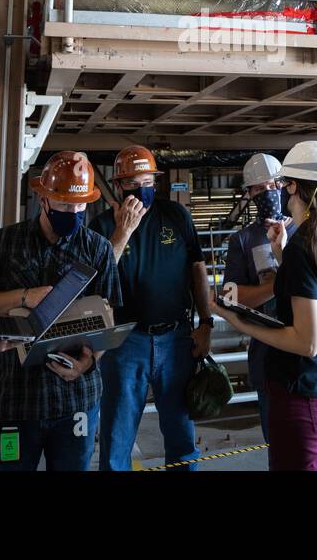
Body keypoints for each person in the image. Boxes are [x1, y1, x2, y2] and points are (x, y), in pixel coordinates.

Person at [0, 151, 122, 471]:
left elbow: (108, 320)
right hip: (18, 399)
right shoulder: (6, 242)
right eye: (65, 205)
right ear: (43, 198)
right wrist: (24, 297)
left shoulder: (98, 249)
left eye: (81, 206)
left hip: (76, 400)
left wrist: (86, 362)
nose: (74, 213)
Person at [211, 140, 317, 471]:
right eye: (261, 187)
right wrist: (281, 261)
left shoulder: (304, 244)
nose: (274, 192)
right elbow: (234, 292)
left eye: (279, 184)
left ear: (291, 185)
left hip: (301, 382)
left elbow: (307, 341)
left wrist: (240, 322)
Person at [89, 145, 213, 471]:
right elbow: (95, 281)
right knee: (117, 434)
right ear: (118, 187)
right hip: (125, 342)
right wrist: (123, 231)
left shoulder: (176, 216)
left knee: (181, 432)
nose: (142, 188)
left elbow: (197, 269)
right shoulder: (103, 227)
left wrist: (206, 323)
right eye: (133, 182)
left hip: (176, 339)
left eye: (147, 180)